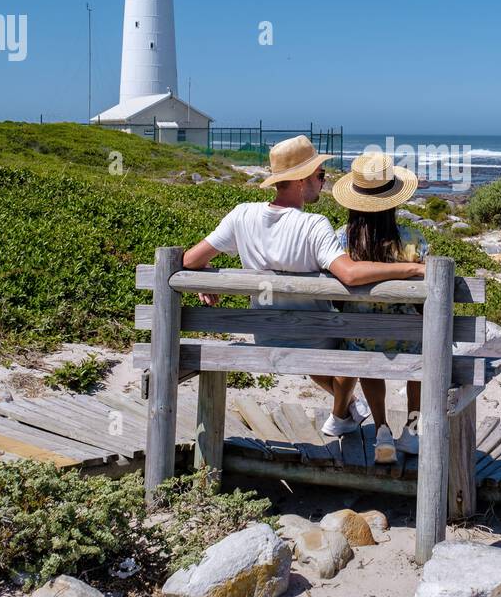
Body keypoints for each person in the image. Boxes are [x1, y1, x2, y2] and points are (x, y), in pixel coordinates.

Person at [182, 136, 425, 436]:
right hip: (316, 340)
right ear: (300, 180)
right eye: (319, 176)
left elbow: (190, 259)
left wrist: (203, 277)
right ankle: (352, 414)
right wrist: (413, 267)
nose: (322, 182)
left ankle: (348, 413)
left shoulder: (241, 215)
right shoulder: (314, 225)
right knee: (353, 340)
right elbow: (349, 274)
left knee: (351, 338)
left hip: (267, 338)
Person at [330, 151, 426, 464]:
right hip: (409, 339)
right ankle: (412, 428)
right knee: (424, 343)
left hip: (361, 339)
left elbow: (335, 298)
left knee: (361, 346)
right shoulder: (413, 240)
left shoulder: (340, 241)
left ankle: (382, 428)